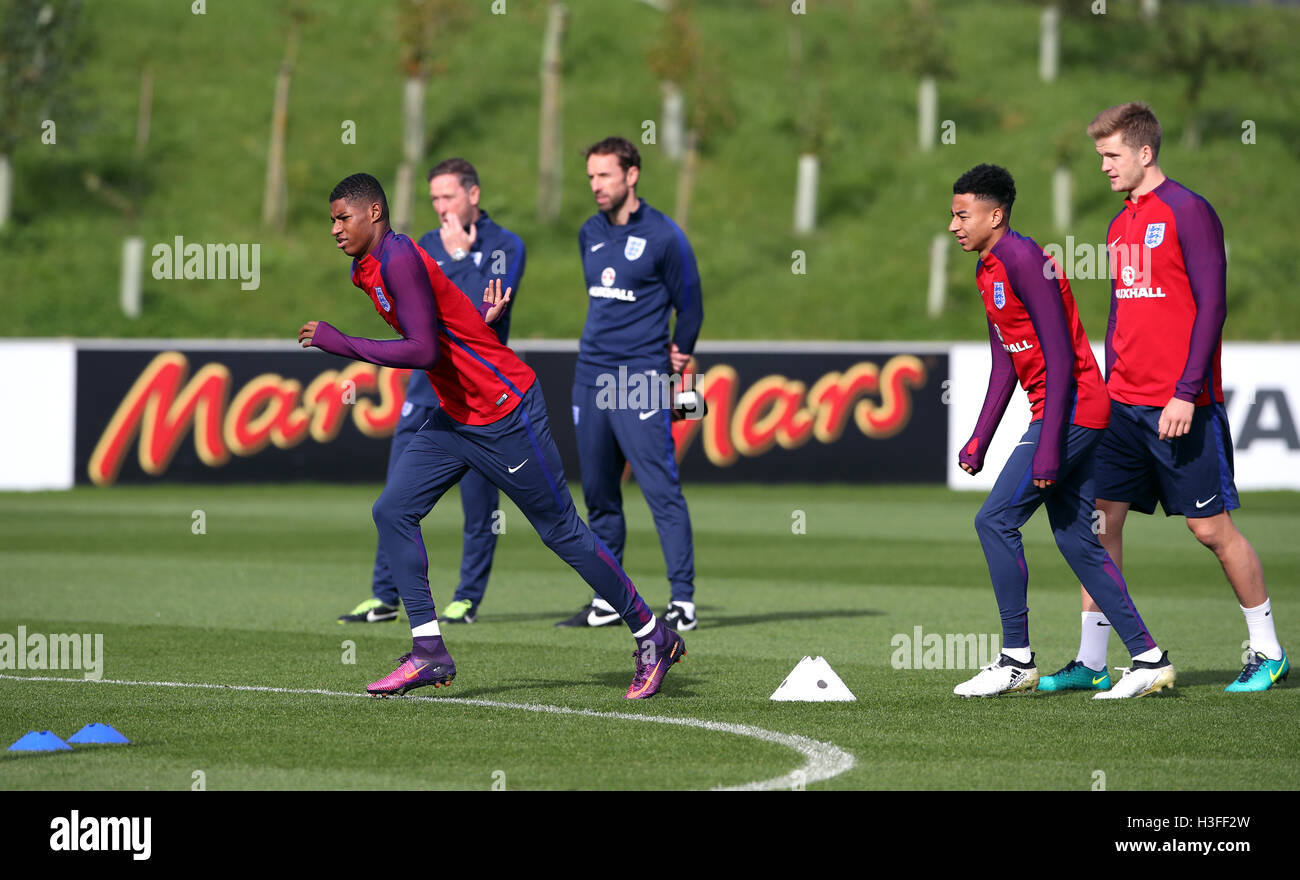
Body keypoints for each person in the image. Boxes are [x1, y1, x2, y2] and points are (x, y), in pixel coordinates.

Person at [301, 173, 685, 699]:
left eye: (342, 217)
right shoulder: (365, 269)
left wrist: (341, 342)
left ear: (374, 213)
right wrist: (475, 321)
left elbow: (423, 350)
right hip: (458, 414)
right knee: (392, 510)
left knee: (561, 531)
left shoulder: (398, 257)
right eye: (331, 220)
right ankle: (429, 652)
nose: (335, 229)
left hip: (505, 412)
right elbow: (440, 321)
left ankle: (653, 633)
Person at [1042, 102, 1288, 693]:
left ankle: (1268, 651)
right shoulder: (1118, 224)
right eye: (1100, 155)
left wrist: (1184, 392)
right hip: (1121, 408)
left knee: (1211, 530)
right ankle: (1093, 661)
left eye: (1111, 155)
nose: (1104, 165)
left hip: (1182, 408)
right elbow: (1120, 312)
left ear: (1145, 152)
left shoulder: (1189, 211)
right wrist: (1105, 388)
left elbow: (1213, 307)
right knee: (1100, 526)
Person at [948, 163, 1174, 699]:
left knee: (994, 520)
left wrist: (1048, 446)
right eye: (952, 215)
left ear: (995, 215)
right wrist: (981, 437)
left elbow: (1060, 356)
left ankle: (1016, 659)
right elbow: (1005, 363)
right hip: (1061, 414)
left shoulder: (1025, 260)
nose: (954, 225)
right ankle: (1149, 659)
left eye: (962, 215)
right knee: (1078, 542)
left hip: (1072, 412)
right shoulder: (986, 268)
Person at [338, 158, 524, 626]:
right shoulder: (420, 245)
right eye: (435, 198)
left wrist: (461, 259)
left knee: (480, 505)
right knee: (395, 499)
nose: (441, 207)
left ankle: (467, 597)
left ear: (473, 195)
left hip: (475, 394)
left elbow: (481, 317)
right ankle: (384, 595)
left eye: (449, 196)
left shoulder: (505, 246)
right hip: (425, 392)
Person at [557, 137, 704, 632]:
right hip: (590, 376)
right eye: (591, 177)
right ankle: (608, 599)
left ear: (632, 175)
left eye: (605, 175)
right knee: (599, 493)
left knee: (660, 489)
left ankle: (682, 600)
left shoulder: (664, 235)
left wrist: (680, 352)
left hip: (639, 376)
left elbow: (691, 305)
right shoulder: (589, 232)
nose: (596, 185)